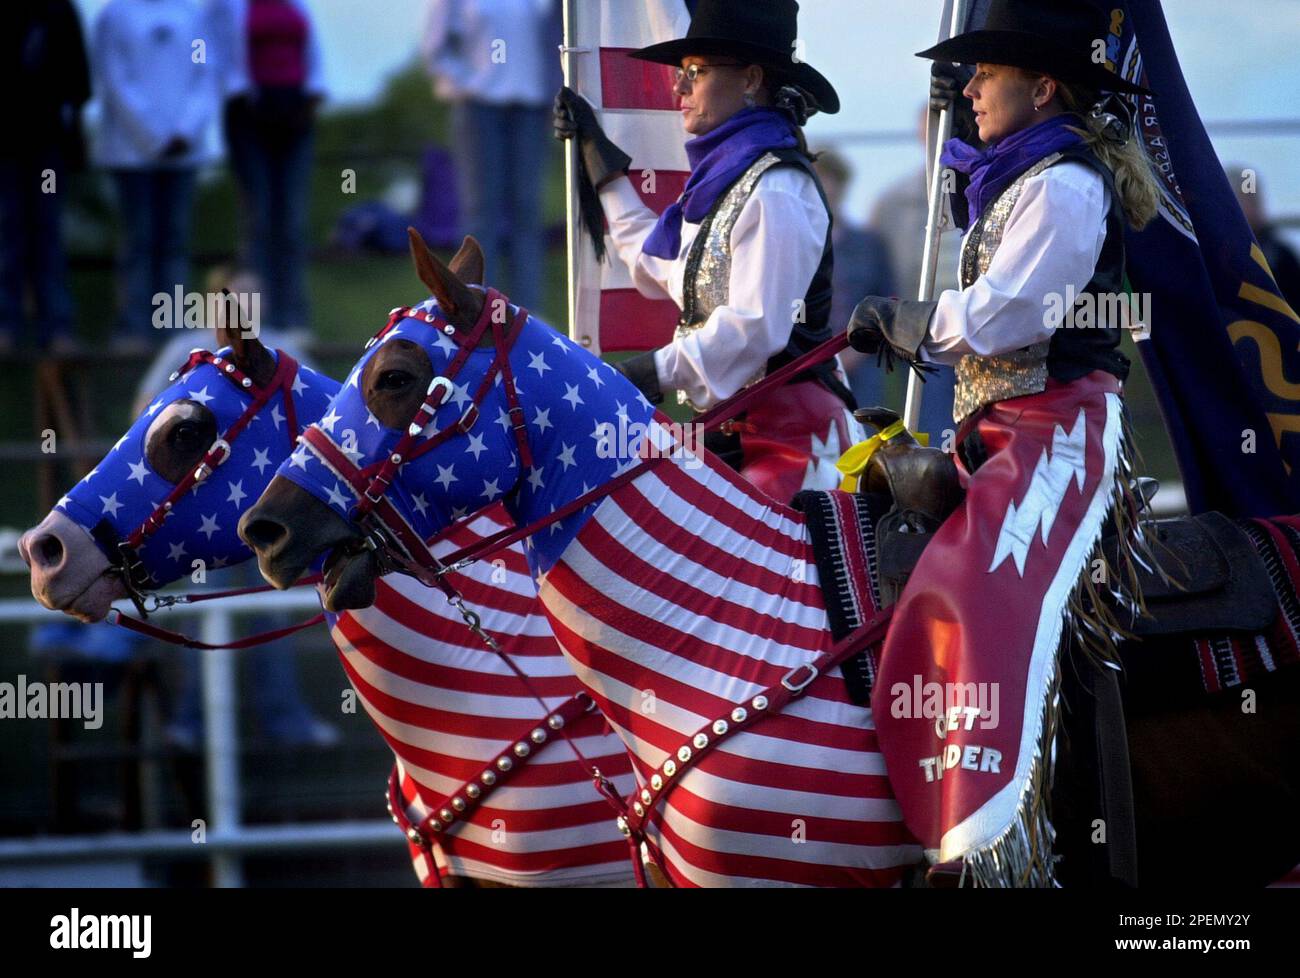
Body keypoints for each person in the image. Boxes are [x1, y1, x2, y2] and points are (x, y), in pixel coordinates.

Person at [848, 0, 1160, 884]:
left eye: (987, 73)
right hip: (992, 431)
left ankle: (996, 845)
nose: (970, 87)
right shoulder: (1019, 176)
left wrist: (912, 324)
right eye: (969, 73)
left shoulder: (1066, 182)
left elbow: (1011, 313)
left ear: (1044, 86)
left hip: (1061, 431)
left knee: (978, 585)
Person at [555, 0, 862, 502]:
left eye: (694, 71)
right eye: (682, 72)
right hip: (735, 433)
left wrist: (649, 371)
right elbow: (658, 268)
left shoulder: (777, 188)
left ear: (749, 80)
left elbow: (755, 326)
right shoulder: (728, 182)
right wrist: (604, 172)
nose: (678, 86)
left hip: (797, 442)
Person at [94, 0, 221, 351]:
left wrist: (185, 130)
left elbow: (205, 74)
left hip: (183, 151)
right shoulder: (117, 14)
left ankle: (171, 327)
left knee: (175, 241)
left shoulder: (191, 14)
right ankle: (135, 326)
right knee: (140, 239)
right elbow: (116, 77)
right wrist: (152, 135)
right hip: (131, 151)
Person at [423, 0, 558, 311]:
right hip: (479, 106)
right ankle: (476, 306)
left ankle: (526, 312)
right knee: (481, 210)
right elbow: (436, 47)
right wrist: (466, 83)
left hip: (532, 105)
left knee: (528, 209)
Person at [210, 0, 327, 332]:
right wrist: (244, 98)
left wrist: (310, 97)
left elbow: (312, 51)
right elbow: (219, 57)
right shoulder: (225, 6)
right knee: (258, 219)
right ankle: (256, 316)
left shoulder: (296, 5)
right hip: (249, 113)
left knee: (292, 219)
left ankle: (293, 316)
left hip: (294, 109)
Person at [0, 0, 91, 355]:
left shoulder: (58, 11)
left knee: (47, 232)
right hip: (5, 148)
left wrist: (75, 137)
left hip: (47, 146)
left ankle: (56, 326)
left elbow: (79, 83)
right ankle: (6, 324)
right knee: (8, 233)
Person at [1227, 163, 1300, 313]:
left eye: (1252, 199)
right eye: (1243, 199)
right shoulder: (1213, 255)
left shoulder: (1280, 256)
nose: (1250, 206)